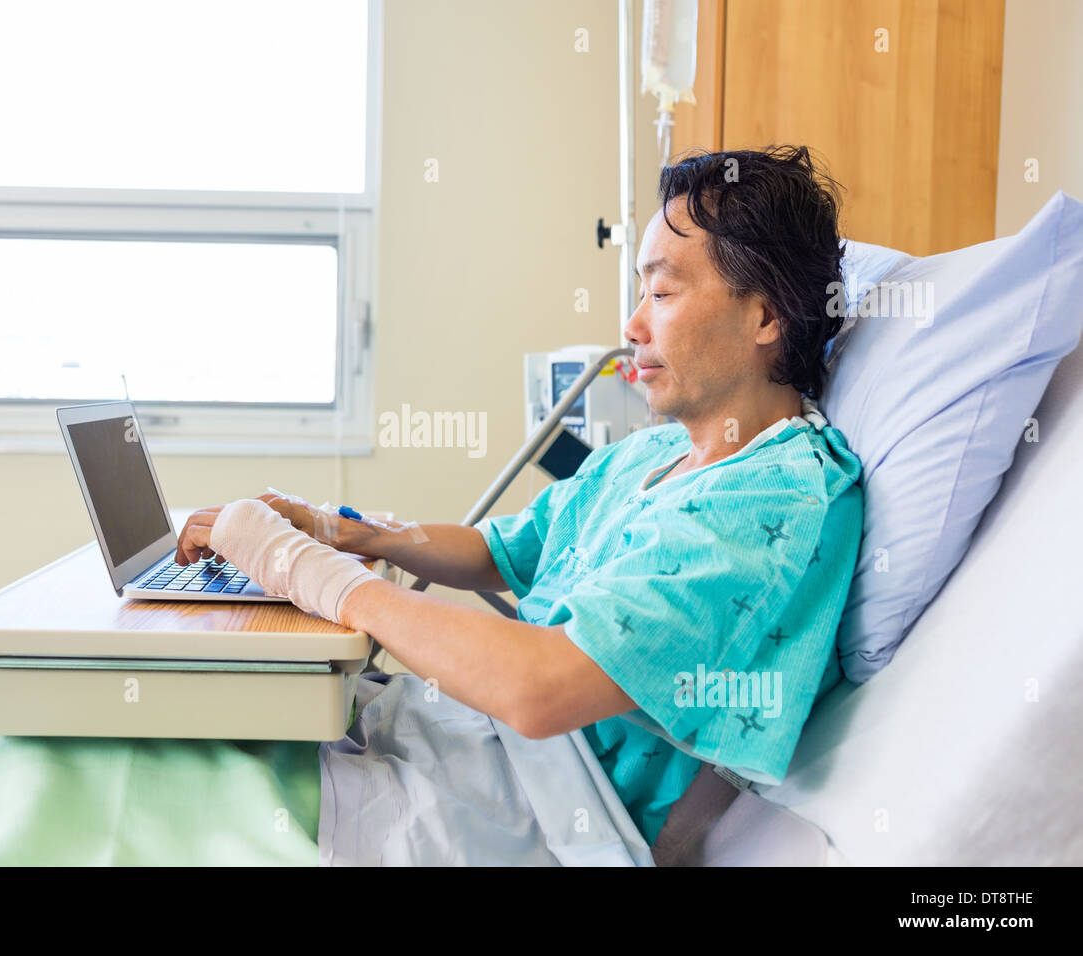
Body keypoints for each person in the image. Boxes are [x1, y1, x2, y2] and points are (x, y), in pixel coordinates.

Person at [177, 145, 864, 855]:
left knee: (165, 790)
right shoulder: (657, 453)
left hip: (537, 811)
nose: (631, 327)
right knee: (186, 726)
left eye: (661, 294)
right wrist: (346, 532)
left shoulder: (777, 500)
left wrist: (304, 569)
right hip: (461, 741)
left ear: (766, 316)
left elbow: (542, 687)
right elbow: (502, 550)